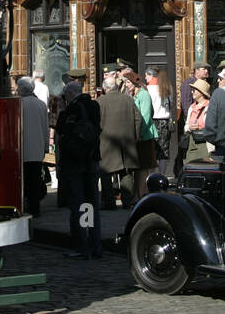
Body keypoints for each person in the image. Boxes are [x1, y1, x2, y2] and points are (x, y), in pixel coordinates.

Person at [55, 80, 102, 258]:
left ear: (69, 95)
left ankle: (82, 245)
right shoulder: (94, 106)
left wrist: (62, 109)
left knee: (79, 204)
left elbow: (61, 131)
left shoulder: (71, 110)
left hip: (75, 162)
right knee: (91, 204)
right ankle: (94, 244)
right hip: (92, 159)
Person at [96, 74, 141, 208]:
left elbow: (94, 122)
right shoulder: (128, 99)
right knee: (126, 172)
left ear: (104, 88)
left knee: (105, 172)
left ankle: (109, 202)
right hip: (127, 141)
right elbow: (138, 118)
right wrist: (135, 136)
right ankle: (127, 201)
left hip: (106, 142)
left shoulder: (100, 102)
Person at [123, 70, 157, 201]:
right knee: (137, 168)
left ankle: (140, 196)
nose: (125, 85)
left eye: (127, 82)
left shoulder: (143, 95)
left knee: (143, 169)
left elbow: (145, 117)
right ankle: (137, 195)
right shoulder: (134, 95)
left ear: (133, 83)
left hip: (144, 137)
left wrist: (139, 135)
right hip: (136, 137)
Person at [18, 77, 50, 217]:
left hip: (22, 149)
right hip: (37, 149)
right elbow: (45, 127)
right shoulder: (41, 105)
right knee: (35, 180)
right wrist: (45, 147)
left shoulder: (19, 104)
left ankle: (25, 206)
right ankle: (35, 208)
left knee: (24, 181)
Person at [146, 68, 175, 179]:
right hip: (164, 120)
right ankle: (162, 175)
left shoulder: (148, 89)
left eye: (147, 75)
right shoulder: (167, 88)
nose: (145, 78)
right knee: (163, 150)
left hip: (152, 121)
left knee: (152, 149)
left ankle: (152, 175)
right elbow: (171, 104)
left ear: (152, 76)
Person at [204, 59, 225, 157]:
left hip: (223, 148)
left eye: (222, 76)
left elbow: (210, 127)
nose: (219, 80)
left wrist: (218, 141)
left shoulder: (219, 93)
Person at [183, 78, 212, 167]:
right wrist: (189, 128)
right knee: (189, 165)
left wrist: (199, 126)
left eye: (194, 90)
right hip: (192, 143)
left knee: (204, 167)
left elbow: (211, 126)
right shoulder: (191, 108)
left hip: (205, 144)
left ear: (201, 92)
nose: (192, 92)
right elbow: (186, 126)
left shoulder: (209, 107)